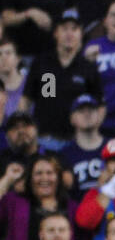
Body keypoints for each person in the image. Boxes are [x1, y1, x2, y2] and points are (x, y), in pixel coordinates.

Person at [22, 9, 100, 145]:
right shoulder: (42, 63)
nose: (69, 34)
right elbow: (26, 100)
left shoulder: (88, 67)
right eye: (64, 29)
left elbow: (100, 105)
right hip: (43, 138)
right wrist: (24, 128)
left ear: (81, 34)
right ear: (56, 33)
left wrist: (91, 133)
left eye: (74, 29)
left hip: (76, 141)